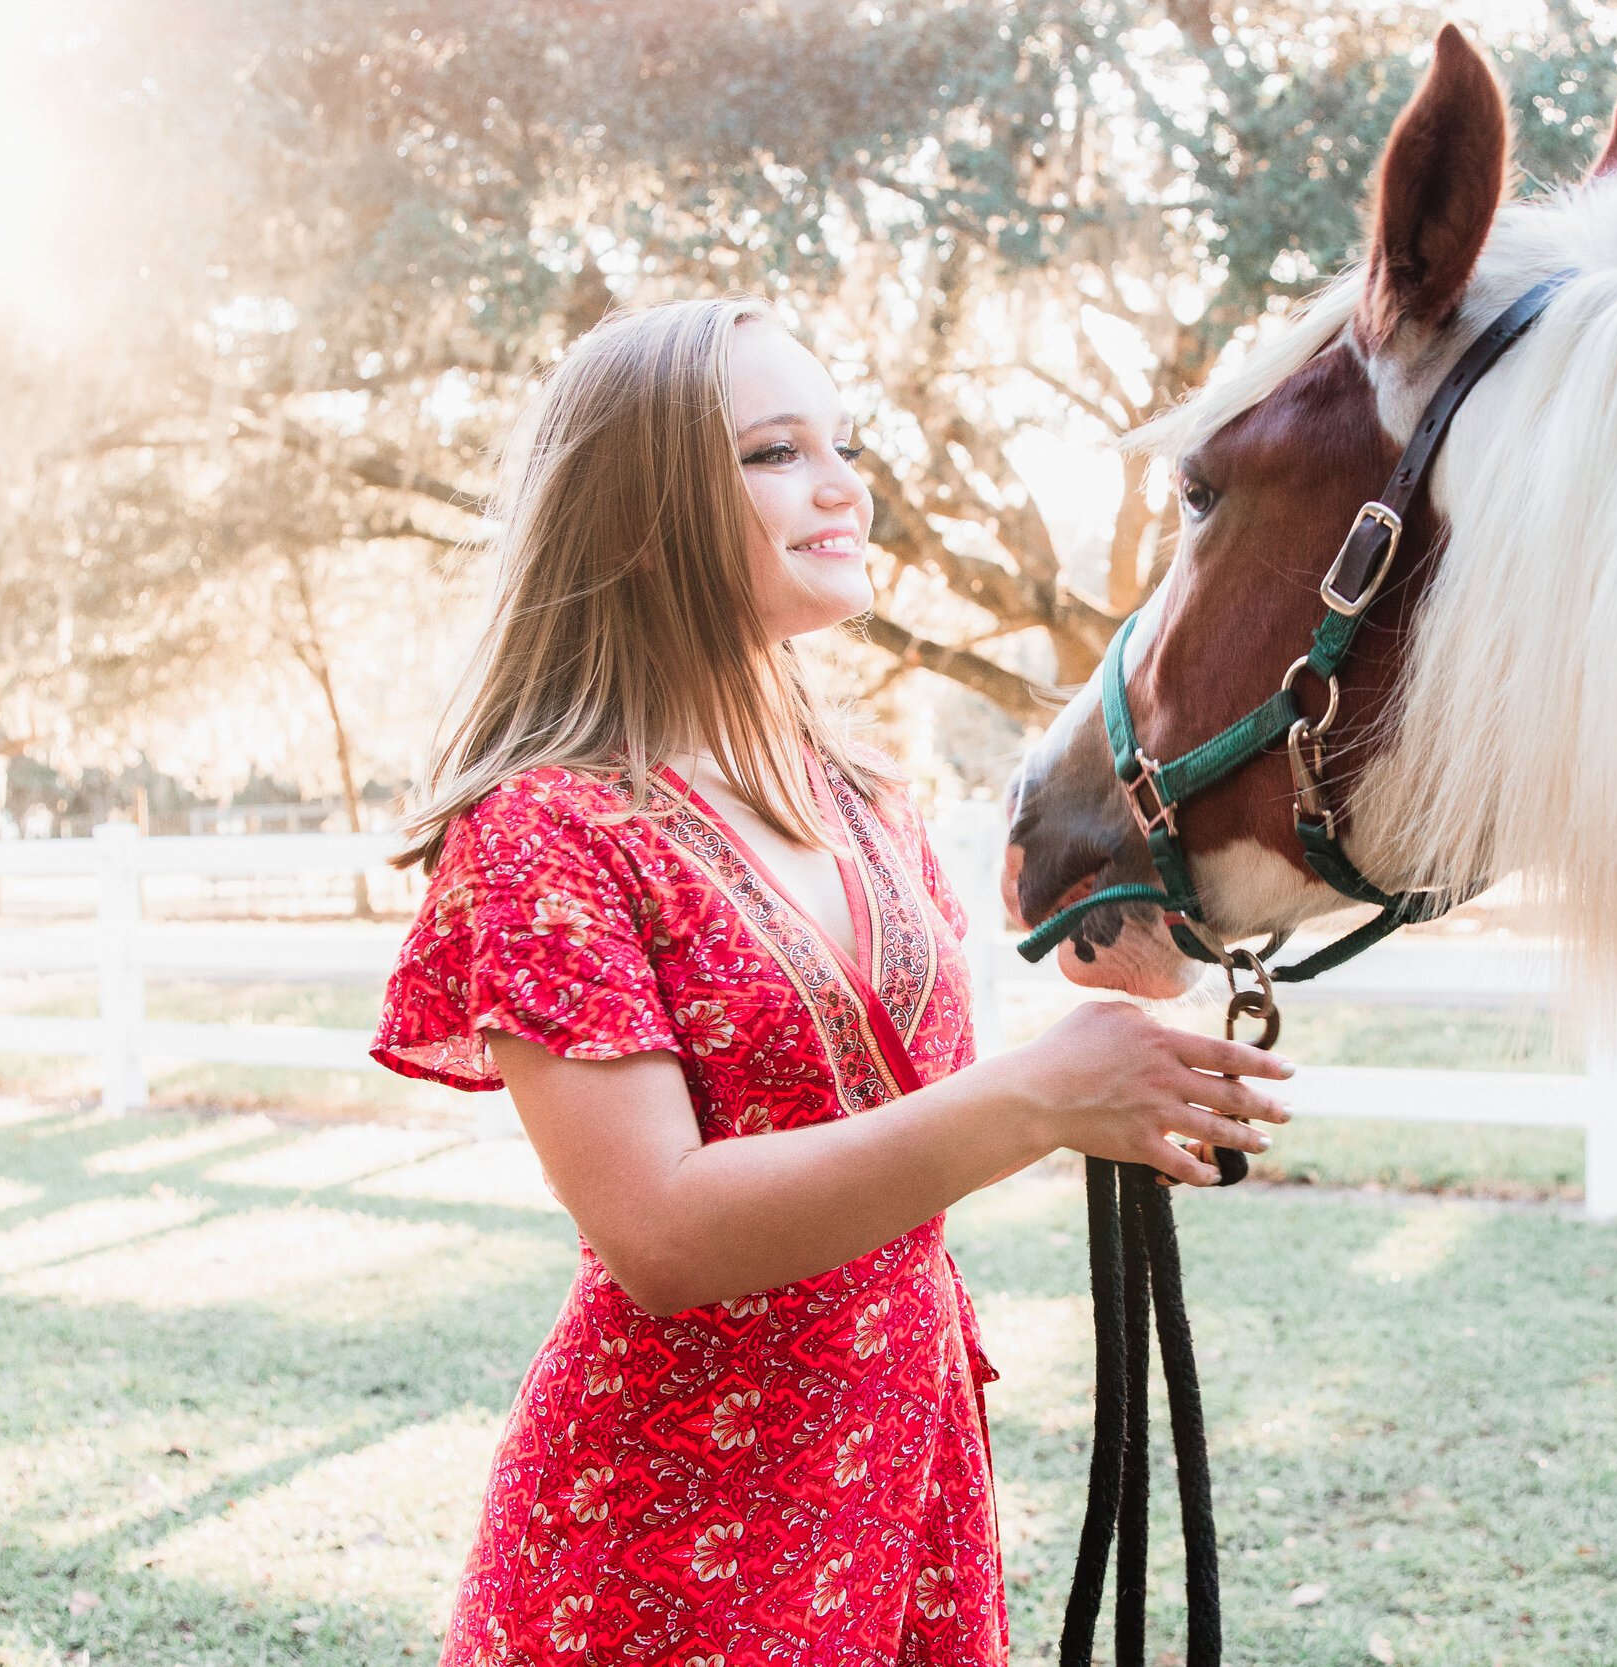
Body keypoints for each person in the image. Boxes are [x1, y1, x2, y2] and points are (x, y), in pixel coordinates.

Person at [371, 296, 1292, 1667]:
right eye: (773, 451)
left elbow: (877, 1110)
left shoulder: (861, 795)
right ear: (634, 515)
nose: (845, 485)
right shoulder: (544, 835)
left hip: (900, 1477)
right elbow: (662, 1232)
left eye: (843, 443)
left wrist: (1106, 1081)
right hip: (669, 1535)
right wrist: (1036, 1102)